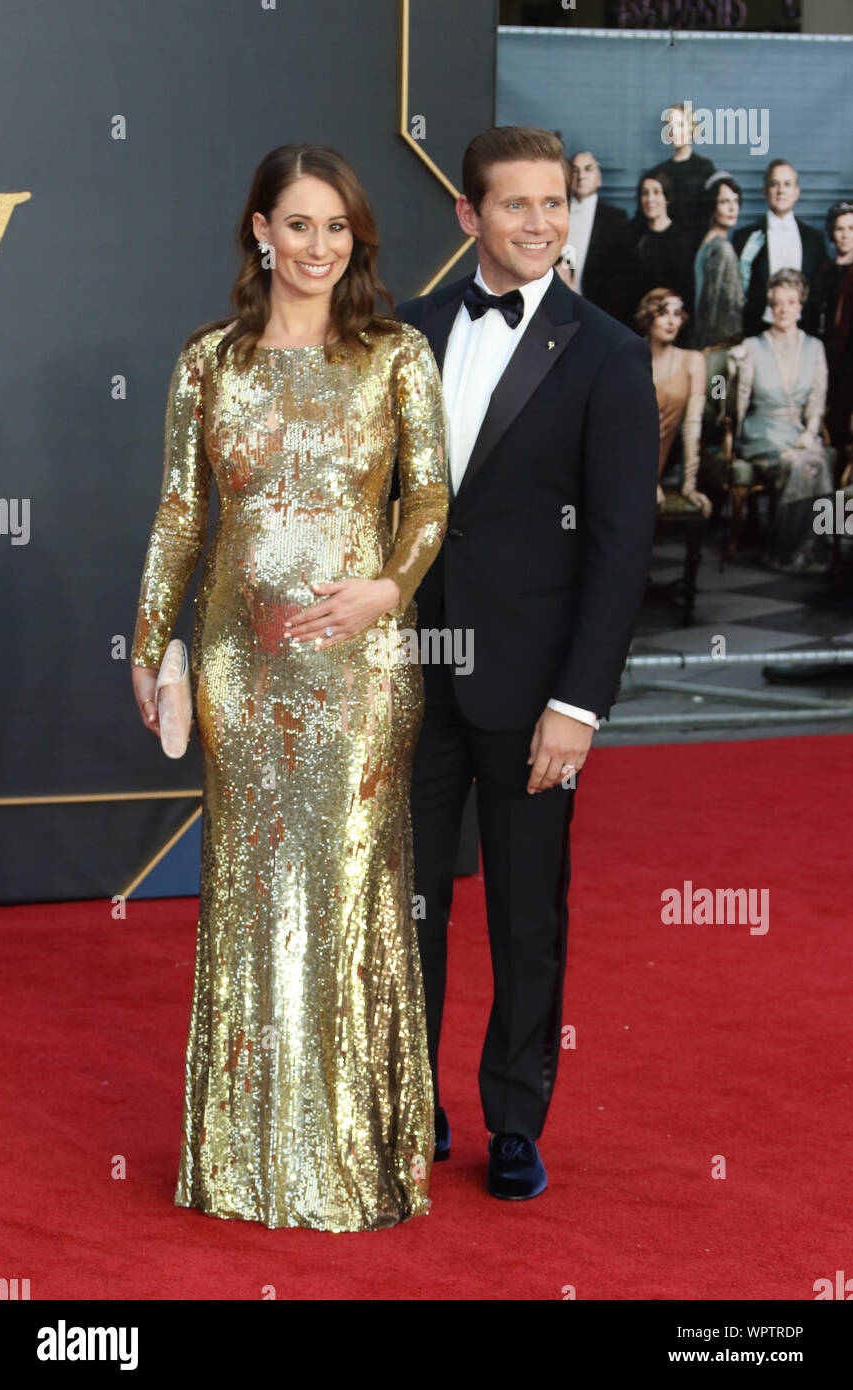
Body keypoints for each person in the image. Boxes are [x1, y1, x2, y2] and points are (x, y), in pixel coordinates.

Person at [130, 144, 449, 1231]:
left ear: (356, 242)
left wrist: (386, 592)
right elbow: (181, 515)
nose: (317, 248)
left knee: (346, 890)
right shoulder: (208, 361)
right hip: (236, 662)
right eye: (298, 225)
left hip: (357, 671)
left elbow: (429, 503)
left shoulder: (396, 355)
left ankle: (348, 1157)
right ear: (259, 230)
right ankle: (239, 1158)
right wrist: (144, 642)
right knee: (250, 896)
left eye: (337, 230)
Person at [395, 126, 659, 1200]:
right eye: (516, 205)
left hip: (531, 689)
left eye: (553, 203)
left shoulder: (605, 352)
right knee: (402, 907)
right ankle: (407, 1100)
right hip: (409, 677)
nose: (542, 223)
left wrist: (577, 705)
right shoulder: (404, 335)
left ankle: (514, 1117)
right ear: (468, 216)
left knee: (524, 911)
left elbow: (617, 547)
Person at [728, 269, 833, 572]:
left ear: (800, 305)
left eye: (790, 302)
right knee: (802, 463)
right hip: (761, 430)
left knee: (816, 458)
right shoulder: (751, 347)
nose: (784, 309)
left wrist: (811, 432)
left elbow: (817, 402)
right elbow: (729, 402)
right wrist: (731, 376)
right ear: (769, 306)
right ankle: (786, 553)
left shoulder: (815, 348)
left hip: (797, 432)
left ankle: (813, 550)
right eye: (777, 303)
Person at [635, 289, 711, 516]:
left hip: (659, 462)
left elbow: (692, 427)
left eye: (677, 314)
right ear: (648, 317)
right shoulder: (628, 357)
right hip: (622, 457)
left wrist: (689, 484)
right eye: (663, 313)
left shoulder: (693, 361)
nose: (671, 321)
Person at [732, 160, 825, 338]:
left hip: (805, 334)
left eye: (787, 184)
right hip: (757, 333)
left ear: (796, 192)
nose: (781, 190)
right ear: (765, 192)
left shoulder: (815, 239)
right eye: (775, 184)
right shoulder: (743, 238)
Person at [555, 150, 636, 324]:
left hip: (601, 314)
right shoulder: (554, 215)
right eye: (575, 170)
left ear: (599, 178)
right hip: (556, 311)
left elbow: (625, 279)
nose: (581, 175)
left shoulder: (617, 218)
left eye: (588, 169)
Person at [804, 199, 853, 471]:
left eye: (851, 228)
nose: (845, 234)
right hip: (823, 360)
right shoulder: (824, 269)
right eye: (840, 228)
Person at [650, 101, 716, 257]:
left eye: (680, 124)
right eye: (670, 126)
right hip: (665, 248)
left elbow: (711, 213)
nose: (674, 131)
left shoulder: (705, 167)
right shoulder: (659, 171)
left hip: (696, 247)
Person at [690, 172, 745, 351]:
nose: (732, 208)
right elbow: (711, 307)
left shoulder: (708, 242)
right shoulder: (721, 248)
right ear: (712, 206)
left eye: (735, 201)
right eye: (724, 202)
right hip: (717, 345)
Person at [630, 169, 694, 317]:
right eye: (645, 193)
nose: (650, 199)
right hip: (638, 320)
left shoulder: (682, 239)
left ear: (667, 198)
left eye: (656, 192)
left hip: (671, 320)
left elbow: (686, 291)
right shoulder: (633, 236)